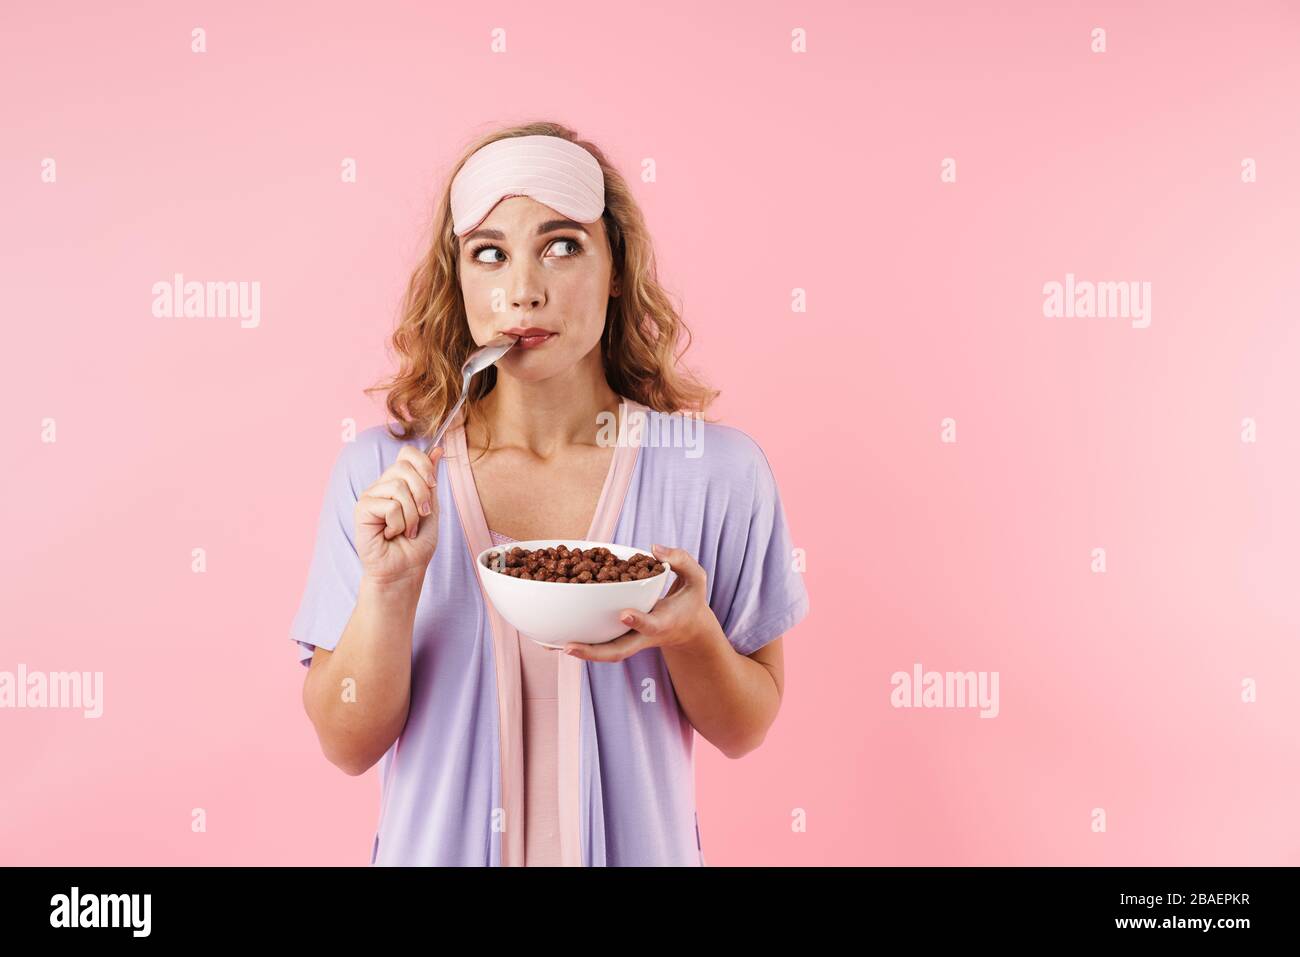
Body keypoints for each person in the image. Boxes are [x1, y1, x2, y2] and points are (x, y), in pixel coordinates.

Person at [290, 121, 810, 866]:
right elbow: (346, 744)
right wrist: (391, 585)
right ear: (458, 280)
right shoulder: (381, 478)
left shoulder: (717, 472)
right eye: (489, 253)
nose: (523, 291)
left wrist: (691, 634)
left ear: (617, 267)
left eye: (562, 245)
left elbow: (745, 727)